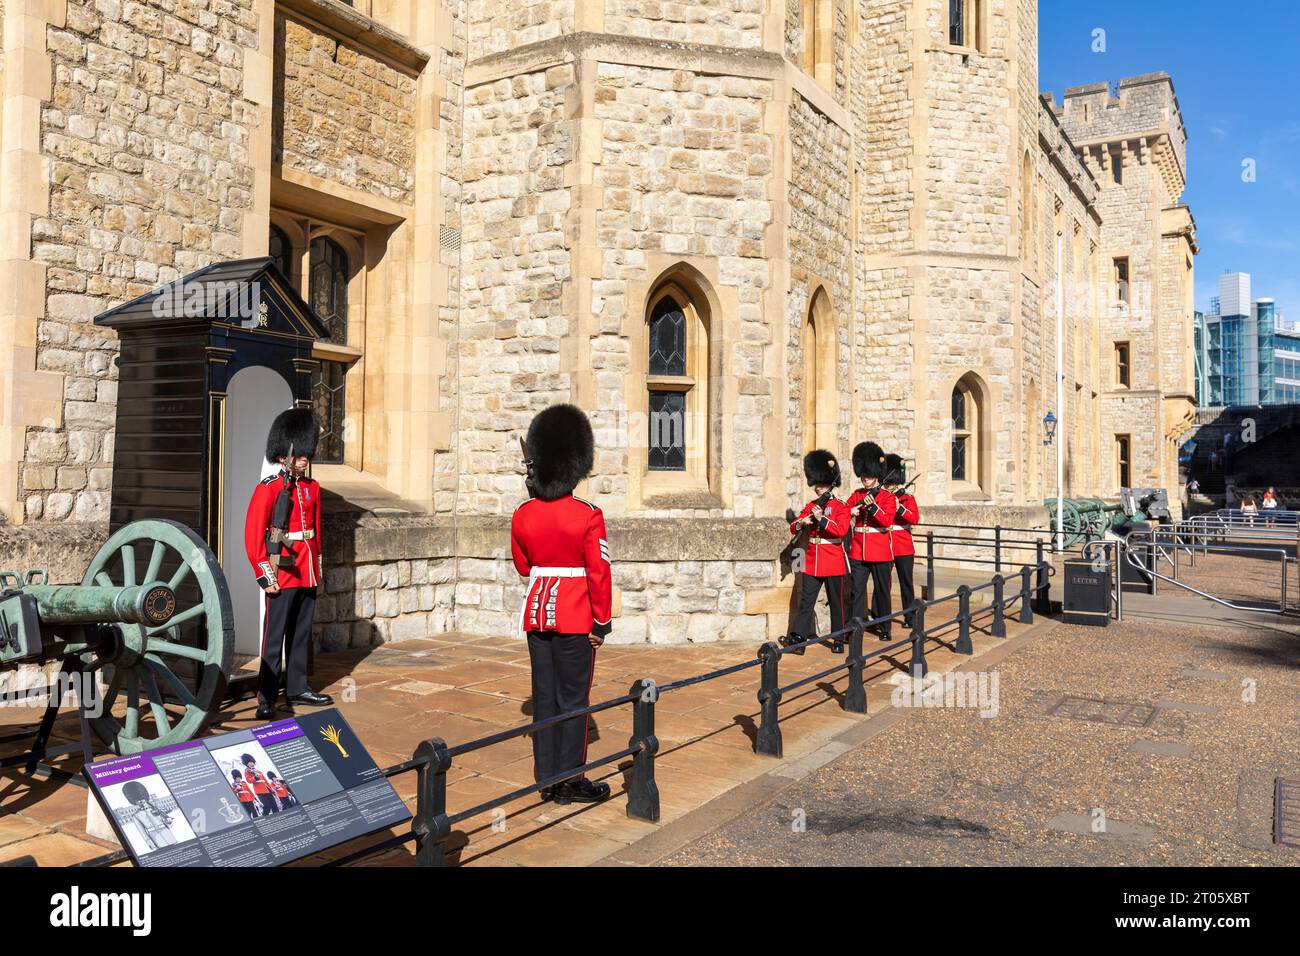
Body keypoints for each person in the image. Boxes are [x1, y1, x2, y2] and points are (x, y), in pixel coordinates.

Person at [511, 404, 613, 805]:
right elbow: (598, 572)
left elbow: (523, 566)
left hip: (537, 615)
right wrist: (601, 621)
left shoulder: (523, 514)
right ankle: (570, 782)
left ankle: (546, 780)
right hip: (574, 616)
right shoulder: (587, 514)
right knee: (574, 701)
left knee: (545, 697)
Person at [244, 407, 334, 721]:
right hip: (282, 571)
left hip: (305, 569)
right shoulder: (268, 489)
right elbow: (253, 535)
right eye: (299, 454)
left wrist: (317, 571)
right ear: (285, 455)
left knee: (300, 634)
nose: (305, 459)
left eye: (306, 453)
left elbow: (315, 532)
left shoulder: (312, 489)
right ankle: (266, 696)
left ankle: (297, 687)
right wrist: (265, 575)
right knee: (275, 636)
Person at [780, 450, 851, 654]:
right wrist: (802, 521)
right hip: (812, 560)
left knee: (836, 603)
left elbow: (840, 530)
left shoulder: (840, 507)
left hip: (833, 560)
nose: (819, 488)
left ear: (830, 485)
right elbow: (794, 526)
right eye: (817, 484)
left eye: (822, 484)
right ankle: (798, 639)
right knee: (806, 602)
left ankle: (839, 638)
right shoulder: (811, 505)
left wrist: (822, 519)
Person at [846, 442, 898, 640]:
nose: (865, 478)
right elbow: (844, 509)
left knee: (882, 591)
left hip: (880, 551)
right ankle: (857, 627)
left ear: (876, 475)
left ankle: (885, 627)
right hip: (858, 550)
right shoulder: (857, 494)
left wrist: (874, 507)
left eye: (868, 475)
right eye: (863, 475)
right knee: (857, 591)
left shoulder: (887, 497)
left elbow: (886, 521)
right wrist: (849, 511)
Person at [884, 454, 920, 627]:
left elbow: (914, 519)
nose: (888, 486)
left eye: (891, 483)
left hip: (902, 547)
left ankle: (910, 617)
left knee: (906, 583)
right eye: (886, 483)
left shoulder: (907, 498)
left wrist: (899, 508)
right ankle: (881, 617)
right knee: (883, 584)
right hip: (884, 545)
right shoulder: (882, 498)